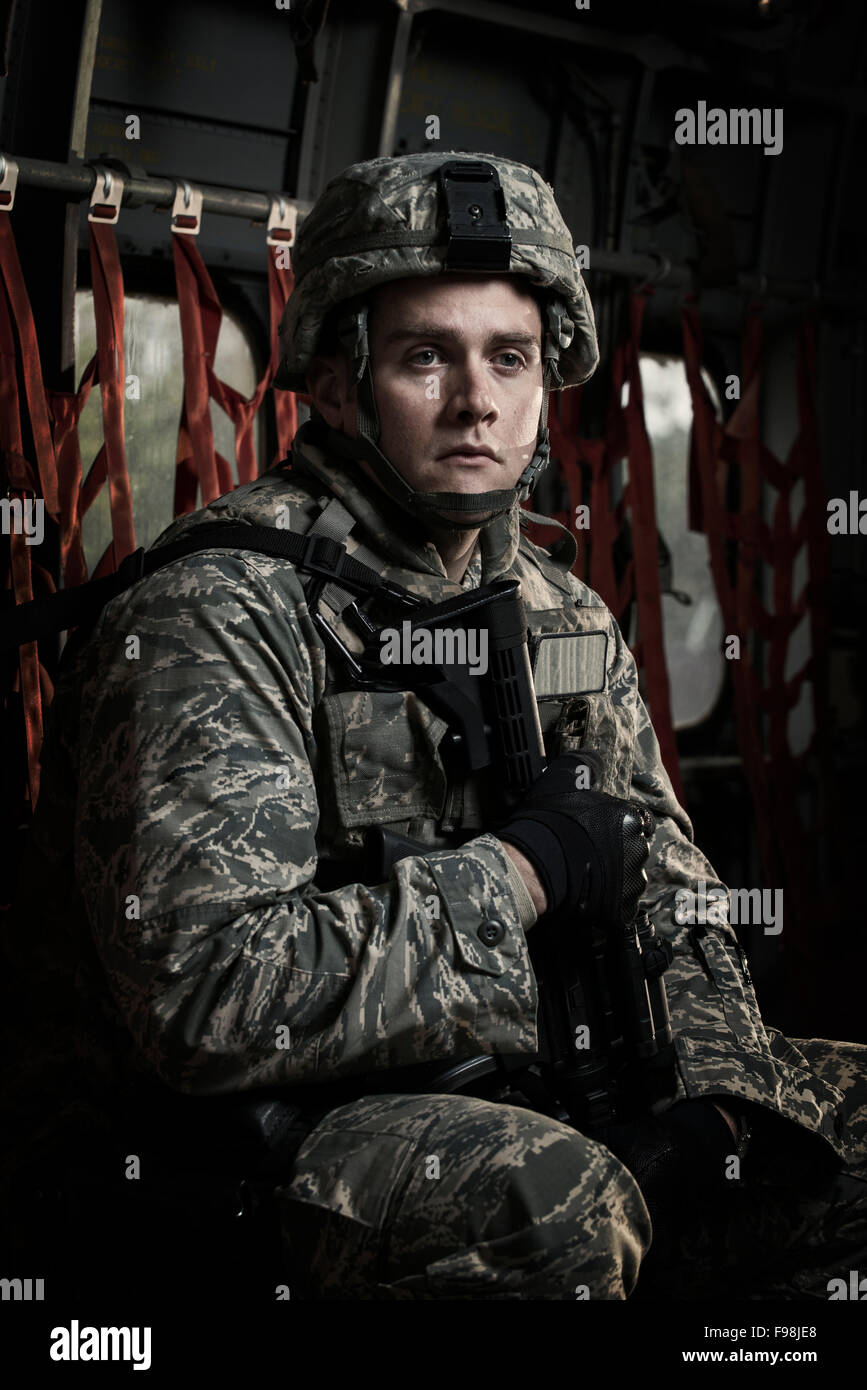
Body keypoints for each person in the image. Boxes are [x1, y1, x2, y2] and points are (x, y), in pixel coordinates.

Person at [1, 151, 865, 1302]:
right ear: (341, 379)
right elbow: (207, 999)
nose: (477, 401)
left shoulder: (559, 611)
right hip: (237, 1150)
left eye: (509, 358)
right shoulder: (216, 614)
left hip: (525, 1079)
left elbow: (676, 890)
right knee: (553, 1204)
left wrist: (715, 1108)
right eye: (426, 357)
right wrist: (510, 877)